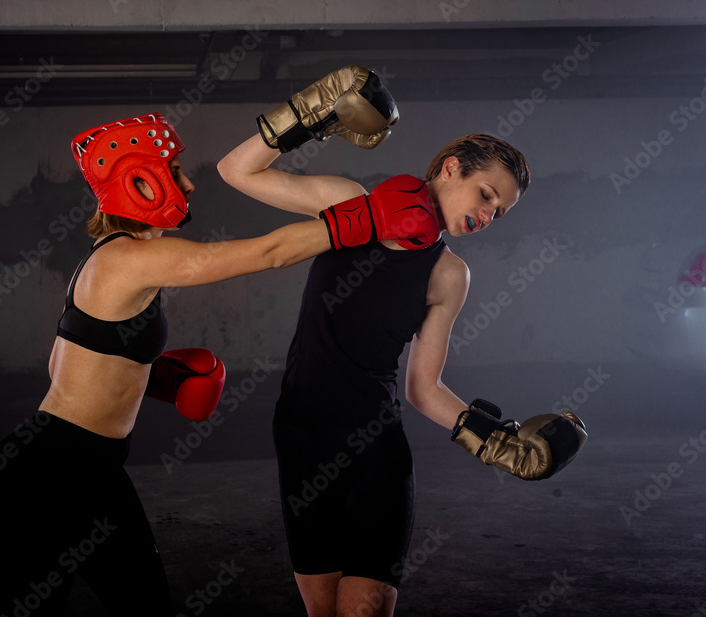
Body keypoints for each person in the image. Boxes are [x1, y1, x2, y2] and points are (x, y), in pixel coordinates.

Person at [0, 106, 430, 616]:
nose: (188, 184)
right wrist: (368, 217)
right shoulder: (130, 259)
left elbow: (60, 364)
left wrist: (151, 375)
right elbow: (268, 253)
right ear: (140, 182)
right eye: (174, 172)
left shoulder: (105, 256)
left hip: (90, 470)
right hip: (46, 475)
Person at [218, 66, 588, 617]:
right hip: (302, 436)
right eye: (486, 195)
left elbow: (423, 388)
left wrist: (495, 443)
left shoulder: (449, 274)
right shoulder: (349, 201)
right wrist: (307, 112)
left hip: (376, 445)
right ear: (451, 167)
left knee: (366, 610)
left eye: (499, 212)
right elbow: (235, 170)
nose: (487, 215)